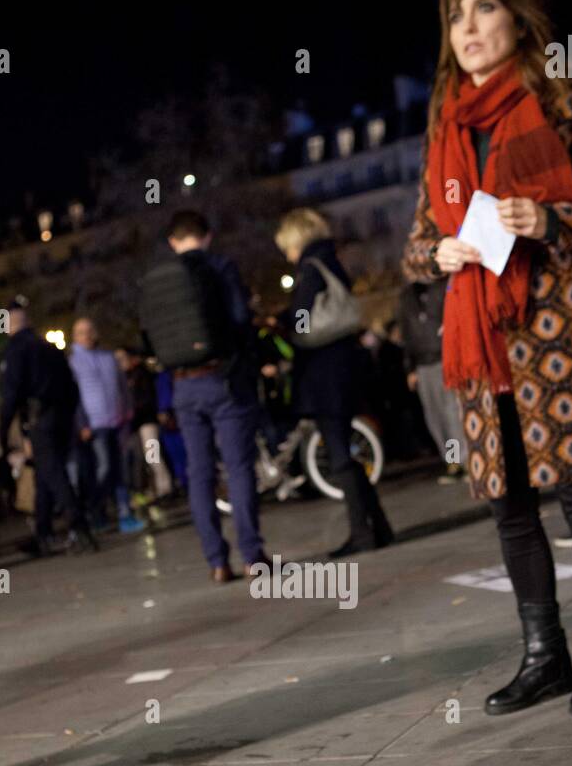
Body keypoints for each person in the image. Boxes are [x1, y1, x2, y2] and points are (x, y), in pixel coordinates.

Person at [402, 0, 572, 717]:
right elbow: (416, 243)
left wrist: (553, 219)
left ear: (517, 15)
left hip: (563, 327)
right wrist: (436, 254)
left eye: (482, 9)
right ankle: (545, 657)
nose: (468, 28)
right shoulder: (445, 123)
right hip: (481, 334)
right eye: (455, 16)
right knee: (508, 505)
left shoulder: (565, 95)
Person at [276, 208, 394, 557]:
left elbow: (301, 319)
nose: (286, 253)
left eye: (286, 245)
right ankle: (378, 527)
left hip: (324, 373)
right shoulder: (330, 259)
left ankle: (362, 533)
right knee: (344, 452)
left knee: (339, 455)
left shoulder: (310, 268)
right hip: (344, 367)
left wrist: (285, 322)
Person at [162, 209, 266, 582]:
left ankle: (216, 561)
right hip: (223, 378)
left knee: (200, 472)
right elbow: (240, 318)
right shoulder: (220, 266)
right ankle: (252, 555)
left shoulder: (162, 279)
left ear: (173, 242)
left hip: (183, 384)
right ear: (206, 236)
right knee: (238, 467)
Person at [0, 299, 96, 556]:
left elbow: (11, 394)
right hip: (60, 417)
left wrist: (5, 431)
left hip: (41, 420)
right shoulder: (48, 347)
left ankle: (80, 527)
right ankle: (43, 532)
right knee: (45, 476)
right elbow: (71, 386)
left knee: (54, 475)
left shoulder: (16, 351)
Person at [69, 319, 145, 534]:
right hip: (94, 425)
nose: (87, 335)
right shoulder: (74, 363)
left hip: (117, 421)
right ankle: (96, 510)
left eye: (89, 330)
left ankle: (124, 513)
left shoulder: (108, 357)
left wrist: (128, 412)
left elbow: (122, 386)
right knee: (102, 469)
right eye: (81, 332)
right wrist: (81, 423)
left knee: (121, 469)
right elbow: (73, 397)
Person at [399, 280, 468, 482]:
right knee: (435, 416)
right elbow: (406, 334)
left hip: (443, 358)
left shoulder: (442, 287)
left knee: (452, 413)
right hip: (423, 363)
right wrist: (410, 367)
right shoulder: (407, 296)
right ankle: (453, 462)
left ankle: (462, 460)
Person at [115, 348, 175, 504]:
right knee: (143, 459)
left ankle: (165, 487)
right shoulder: (123, 379)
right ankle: (155, 489)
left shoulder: (141, 375)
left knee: (153, 455)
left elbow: (147, 398)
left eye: (122, 358)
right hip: (135, 425)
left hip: (146, 421)